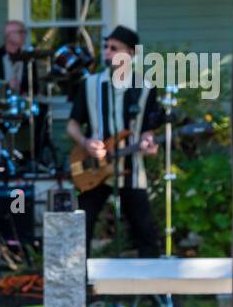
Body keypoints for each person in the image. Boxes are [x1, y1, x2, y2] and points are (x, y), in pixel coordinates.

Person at [66, 25, 166, 258]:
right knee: (81, 227)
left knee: (144, 229)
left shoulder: (146, 87)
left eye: (114, 48)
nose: (107, 53)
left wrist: (149, 142)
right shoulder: (90, 84)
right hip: (95, 168)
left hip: (130, 166)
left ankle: (152, 290)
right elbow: (72, 124)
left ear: (130, 54)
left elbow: (147, 129)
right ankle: (80, 286)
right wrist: (86, 142)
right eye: (106, 47)